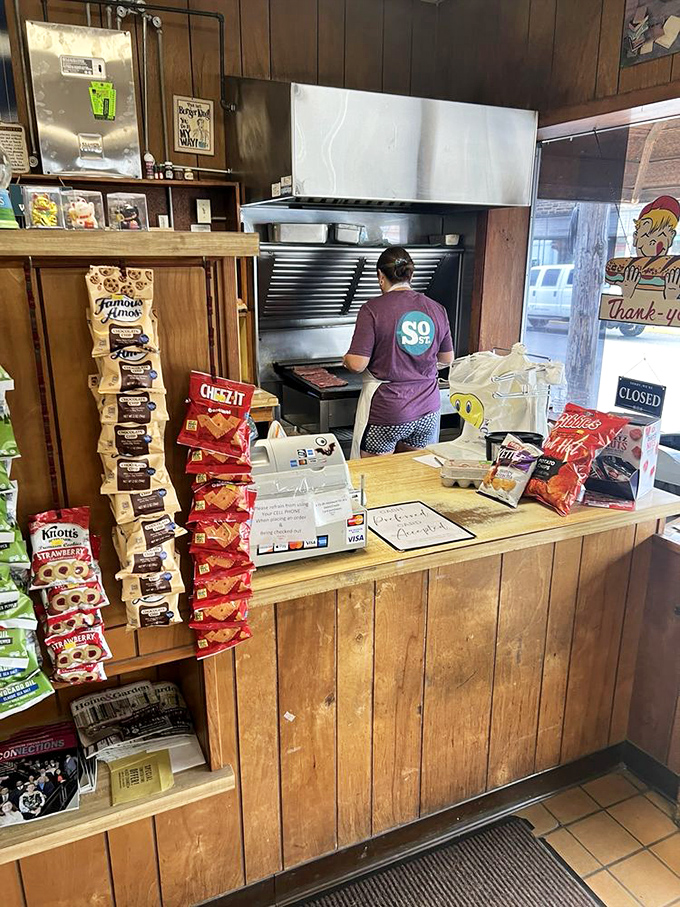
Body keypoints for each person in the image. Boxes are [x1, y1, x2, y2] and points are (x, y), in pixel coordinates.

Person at [344, 246, 454, 458]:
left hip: (388, 412)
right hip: (427, 411)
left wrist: (347, 360)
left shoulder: (372, 309)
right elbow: (446, 359)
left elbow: (357, 364)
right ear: (410, 275)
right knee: (411, 478)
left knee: (375, 481)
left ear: (380, 276)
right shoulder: (436, 308)